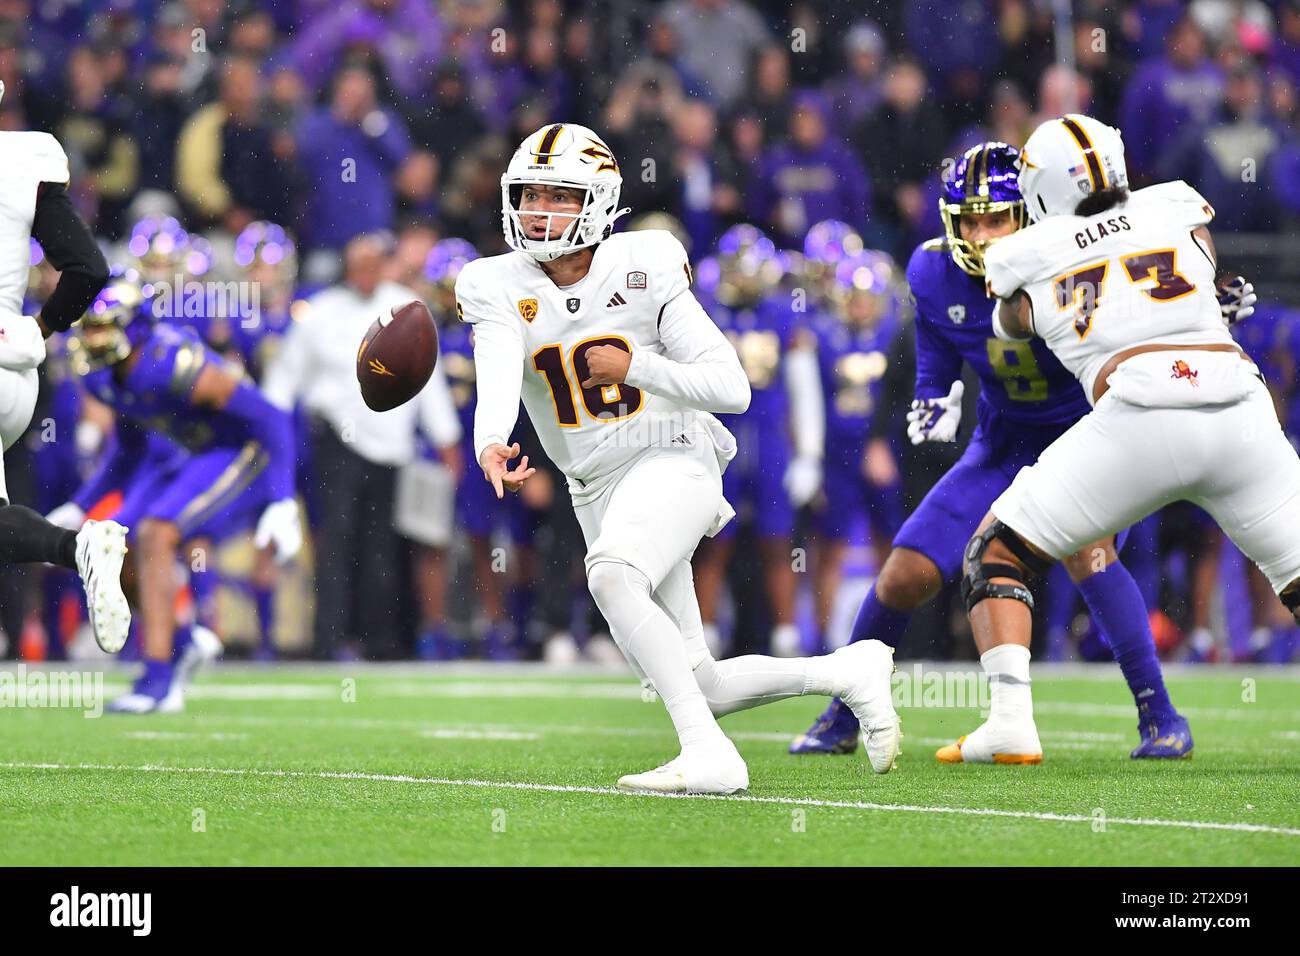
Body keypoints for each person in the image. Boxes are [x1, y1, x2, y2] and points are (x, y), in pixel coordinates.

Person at [458, 122, 900, 794]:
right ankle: (845, 672)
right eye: (530, 194)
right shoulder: (495, 283)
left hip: (670, 452)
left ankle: (710, 757)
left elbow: (732, 388)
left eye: (560, 195)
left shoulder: (644, 266)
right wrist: (490, 439)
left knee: (609, 576)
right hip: (592, 486)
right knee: (700, 678)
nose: (540, 211)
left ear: (600, 202)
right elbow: (495, 370)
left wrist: (639, 365)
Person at [790, 141, 1192, 762]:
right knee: (905, 575)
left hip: (1084, 438)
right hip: (1000, 442)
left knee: (1091, 555)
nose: (981, 234)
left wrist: (1207, 306)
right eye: (969, 219)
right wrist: (931, 392)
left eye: (996, 218)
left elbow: (1148, 303)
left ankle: (1160, 714)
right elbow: (938, 347)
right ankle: (844, 712)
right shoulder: (931, 271)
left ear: (1027, 215)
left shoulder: (1071, 257)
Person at [941, 114, 1296, 763]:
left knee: (996, 553)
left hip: (1140, 415)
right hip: (1241, 408)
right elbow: (1200, 268)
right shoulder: (1177, 208)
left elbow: (1013, 323)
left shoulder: (1026, 251)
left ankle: (1011, 721)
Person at [51, 272, 300, 711]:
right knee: (112, 551)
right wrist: (80, 505)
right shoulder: (103, 376)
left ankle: (157, 681)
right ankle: (182, 642)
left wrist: (282, 500)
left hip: (242, 452)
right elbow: (128, 452)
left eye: (103, 326)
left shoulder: (174, 363)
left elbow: (271, 419)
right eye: (88, 327)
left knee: (156, 531)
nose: (93, 337)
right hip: (194, 455)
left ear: (136, 328)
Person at [0, 87, 128, 653]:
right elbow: (88, 269)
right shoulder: (23, 161)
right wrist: (39, 329)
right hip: (14, 373)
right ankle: (78, 548)